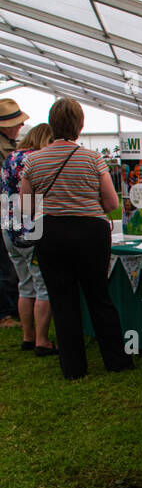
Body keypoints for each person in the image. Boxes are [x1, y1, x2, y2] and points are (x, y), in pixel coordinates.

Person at [20, 97, 131, 380]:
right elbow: (110, 203)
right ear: (80, 125)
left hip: (52, 233)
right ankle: (116, 360)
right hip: (90, 232)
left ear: (51, 124)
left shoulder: (33, 161)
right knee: (98, 297)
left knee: (62, 300)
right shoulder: (93, 158)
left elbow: (25, 208)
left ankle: (73, 367)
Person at [1, 119, 56, 353]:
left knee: (25, 284)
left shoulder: (10, 158)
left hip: (8, 225)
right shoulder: (35, 160)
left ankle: (28, 336)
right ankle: (42, 341)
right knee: (43, 284)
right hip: (31, 227)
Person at [0, 96, 28, 326]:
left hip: (10, 212)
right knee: (6, 265)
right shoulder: (5, 149)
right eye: (17, 123)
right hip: (8, 212)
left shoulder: (10, 147)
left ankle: (15, 308)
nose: (20, 126)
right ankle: (5, 312)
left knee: (12, 265)